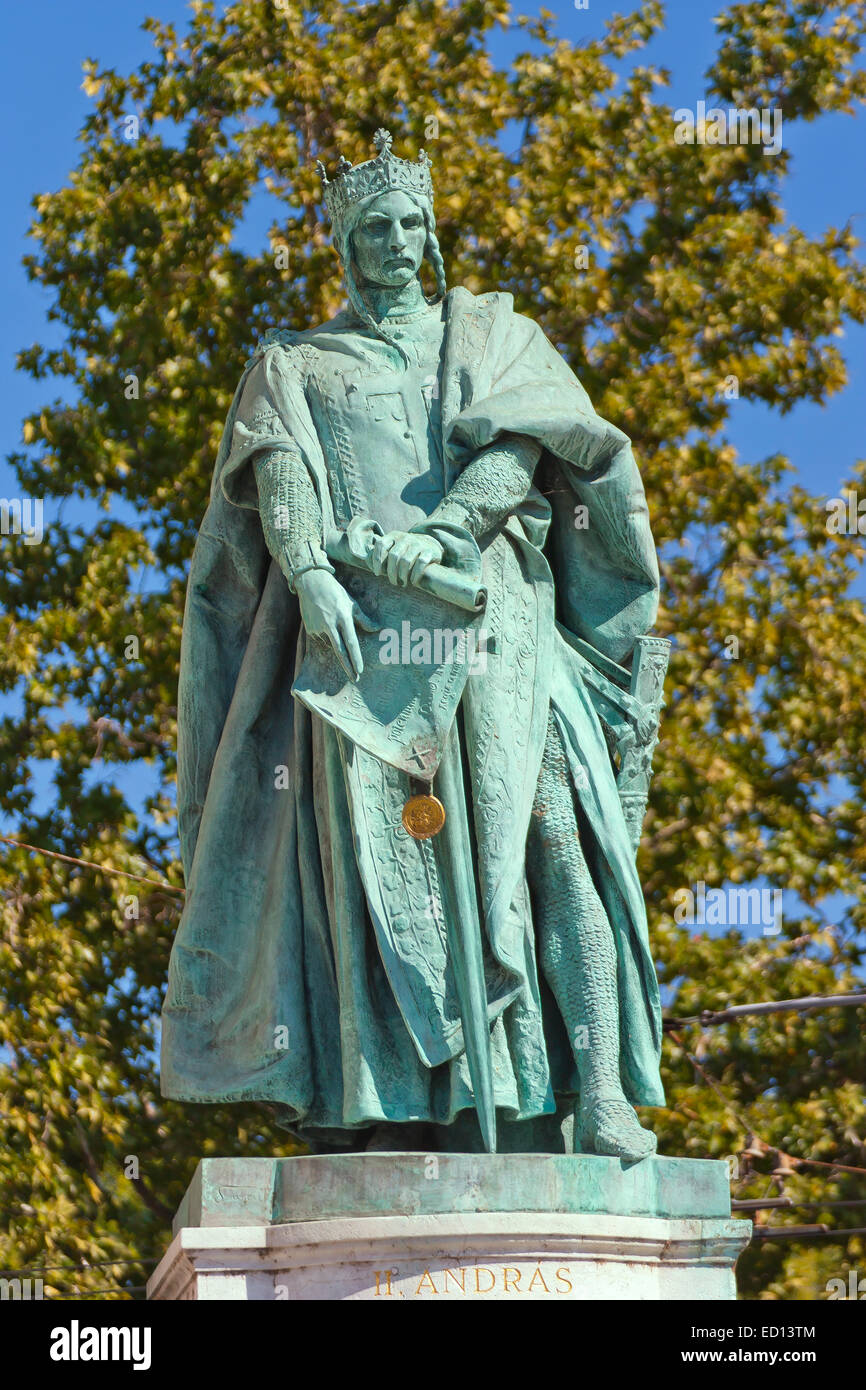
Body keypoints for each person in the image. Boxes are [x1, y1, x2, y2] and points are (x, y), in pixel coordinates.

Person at [161, 130, 664, 1159]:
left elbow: (524, 449)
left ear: (429, 233)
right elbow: (279, 478)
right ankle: (377, 1106)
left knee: (553, 840)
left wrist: (447, 535)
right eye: (371, 227)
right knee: (372, 877)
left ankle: (598, 1090)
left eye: (407, 223)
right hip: (364, 650)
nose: (394, 241)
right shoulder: (290, 362)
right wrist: (307, 571)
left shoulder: (491, 332)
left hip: (498, 630)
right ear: (342, 244)